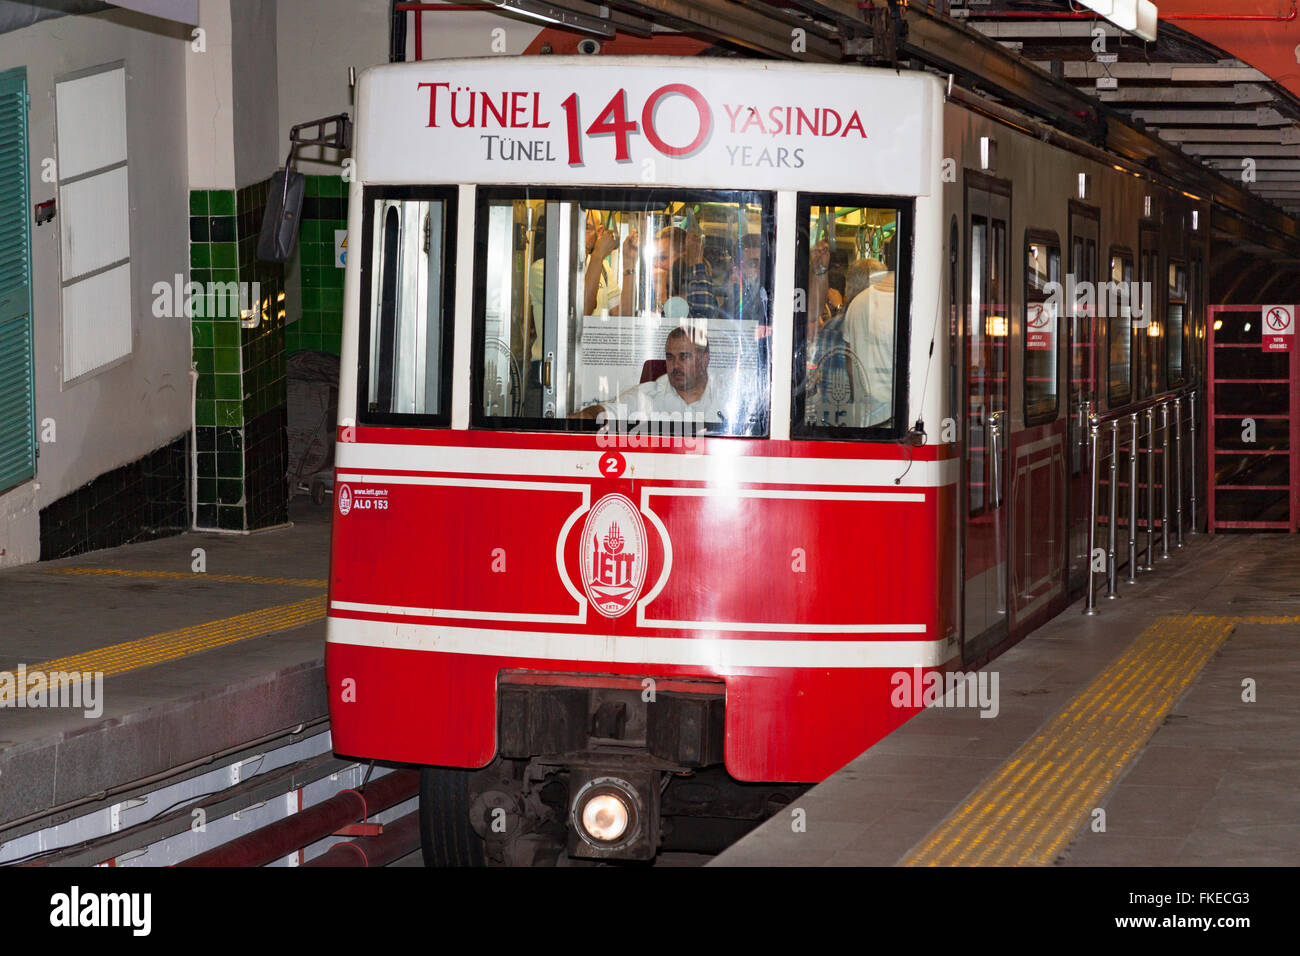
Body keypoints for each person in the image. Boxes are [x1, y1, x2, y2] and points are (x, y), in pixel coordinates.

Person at [573, 325, 723, 425]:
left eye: (684, 357)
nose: (675, 365)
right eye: (670, 357)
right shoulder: (647, 395)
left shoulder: (725, 397)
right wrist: (587, 416)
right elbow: (606, 412)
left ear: (704, 359)